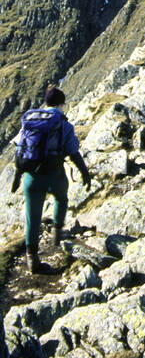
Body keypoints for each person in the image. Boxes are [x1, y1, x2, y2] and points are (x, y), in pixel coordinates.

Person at [10, 84, 92, 273]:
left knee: (32, 217)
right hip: (54, 175)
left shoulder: (30, 120)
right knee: (61, 198)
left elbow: (19, 149)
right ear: (61, 104)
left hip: (30, 177)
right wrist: (85, 174)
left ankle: (32, 258)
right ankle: (57, 232)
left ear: (46, 103)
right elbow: (73, 153)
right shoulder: (64, 124)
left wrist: (17, 176)